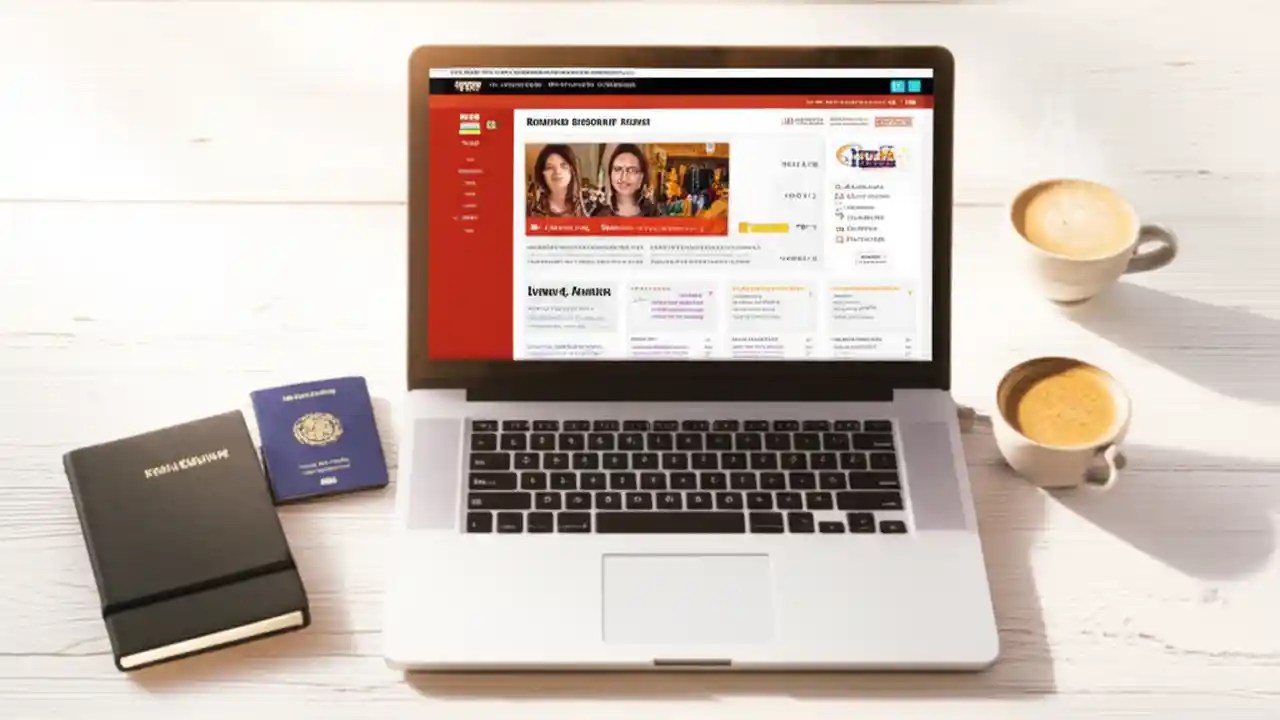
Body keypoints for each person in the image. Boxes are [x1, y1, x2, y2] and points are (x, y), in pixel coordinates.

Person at [527, 144, 595, 217]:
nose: (557, 171)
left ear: (572, 171)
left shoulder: (590, 208)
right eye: (549, 167)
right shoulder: (530, 211)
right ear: (542, 173)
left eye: (563, 165)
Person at [593, 143, 658, 217]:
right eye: (618, 169)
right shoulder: (599, 216)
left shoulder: (654, 215)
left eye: (631, 170)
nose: (623, 177)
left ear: (641, 177)